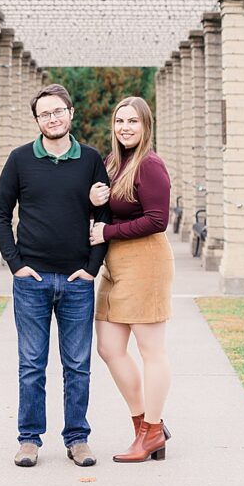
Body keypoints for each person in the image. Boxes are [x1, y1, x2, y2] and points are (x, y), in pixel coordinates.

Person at [0, 83, 111, 468]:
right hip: (32, 281)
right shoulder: (20, 159)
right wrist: (15, 265)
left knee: (78, 365)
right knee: (31, 364)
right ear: (37, 120)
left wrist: (91, 269)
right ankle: (29, 440)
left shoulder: (91, 159)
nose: (53, 118)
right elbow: (0, 214)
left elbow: (105, 217)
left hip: (77, 282)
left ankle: (77, 439)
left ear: (70, 113)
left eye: (58, 111)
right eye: (45, 114)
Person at [89, 95, 174, 463]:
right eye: (119, 121)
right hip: (116, 264)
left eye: (133, 121)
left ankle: (151, 431)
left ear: (145, 126)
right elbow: (109, 209)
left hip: (146, 261)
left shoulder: (149, 165)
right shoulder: (113, 163)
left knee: (151, 350)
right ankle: (146, 425)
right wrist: (94, 199)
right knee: (109, 347)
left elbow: (158, 219)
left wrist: (107, 232)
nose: (125, 127)